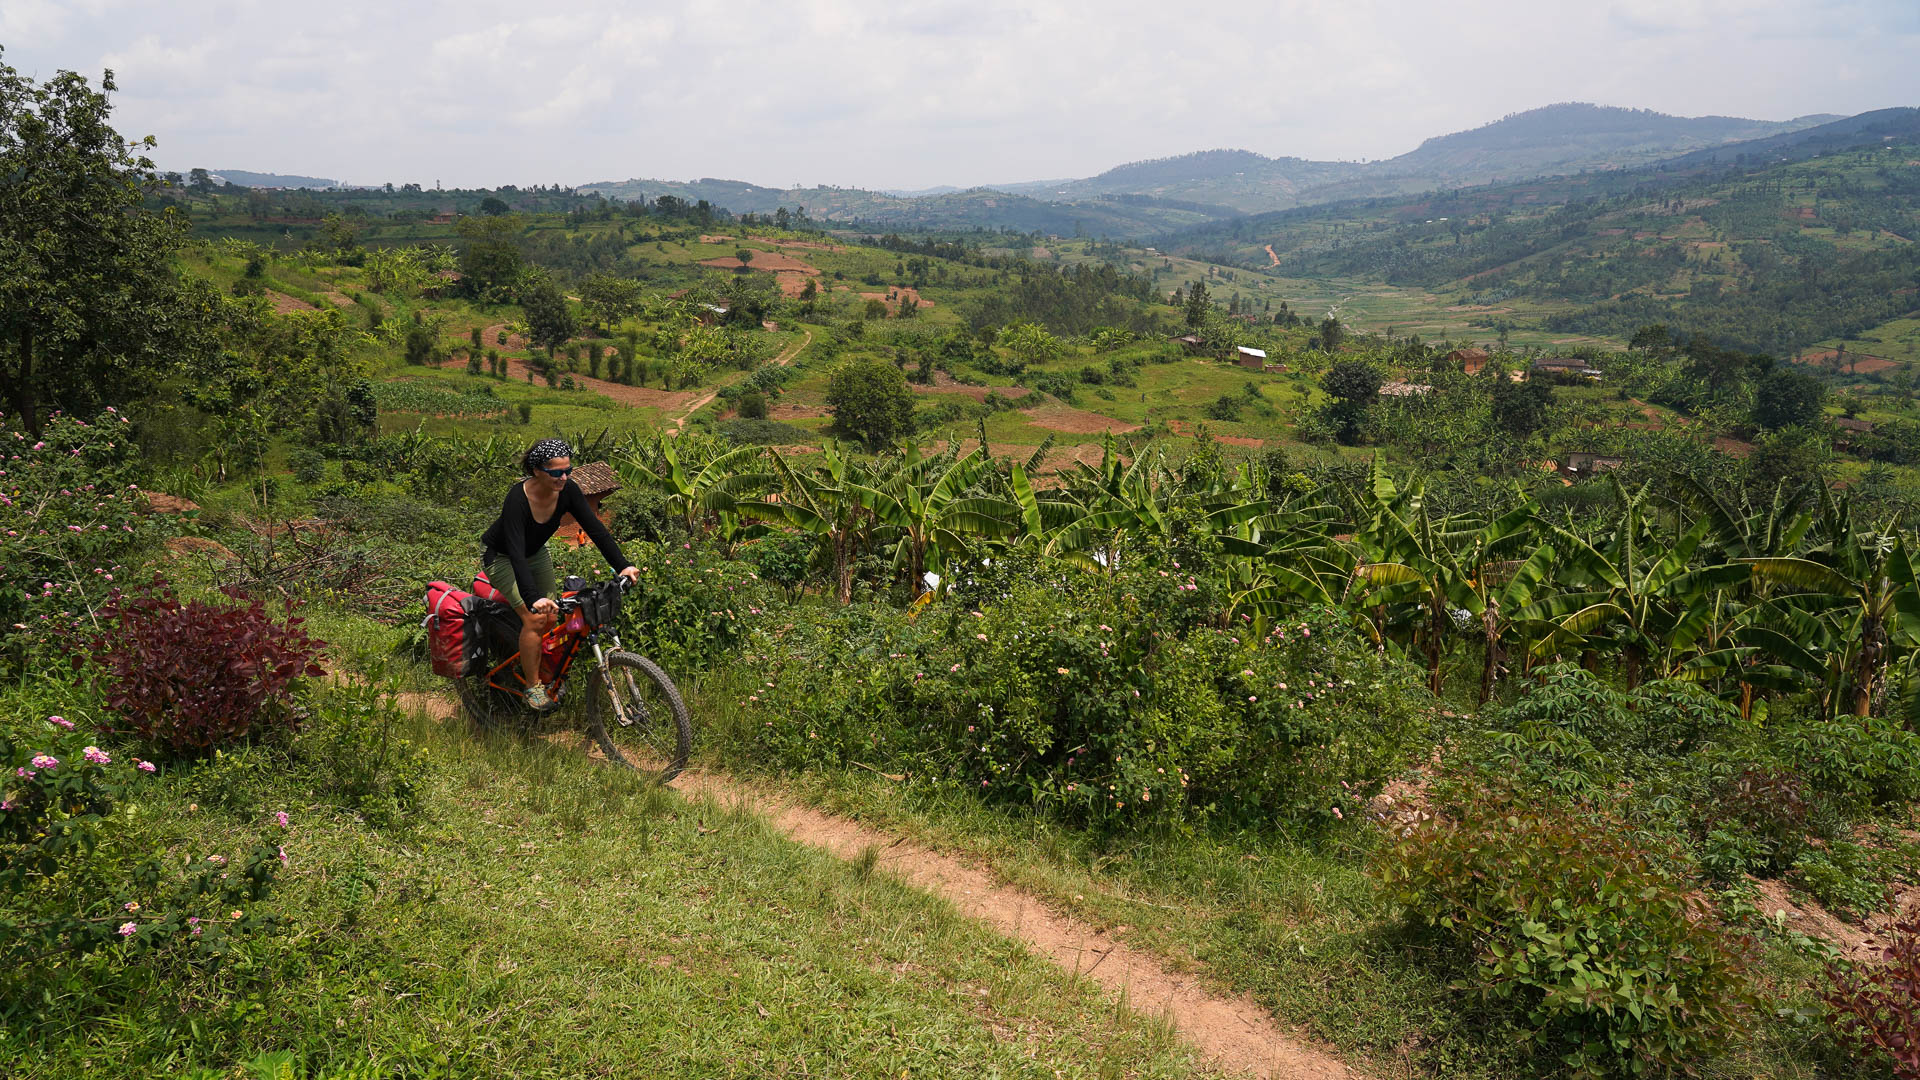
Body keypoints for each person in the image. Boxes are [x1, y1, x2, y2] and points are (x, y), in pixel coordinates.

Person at [481, 438, 640, 709]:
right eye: (556, 472)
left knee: (552, 616)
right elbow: (517, 553)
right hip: (503, 558)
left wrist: (622, 564)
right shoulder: (517, 499)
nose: (563, 477)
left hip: (537, 553)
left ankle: (539, 666)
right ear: (537, 471)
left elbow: (595, 529)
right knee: (535, 618)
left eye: (568, 470)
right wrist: (532, 598)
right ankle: (533, 687)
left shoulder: (569, 491)